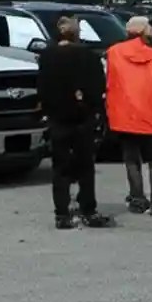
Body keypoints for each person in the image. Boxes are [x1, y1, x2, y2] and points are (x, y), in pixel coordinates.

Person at [37, 16, 114, 230]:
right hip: (82, 118)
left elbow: (42, 88)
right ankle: (88, 209)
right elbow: (98, 87)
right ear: (76, 34)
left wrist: (48, 110)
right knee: (85, 167)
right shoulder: (88, 57)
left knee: (60, 167)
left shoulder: (47, 57)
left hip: (58, 118)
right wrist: (90, 106)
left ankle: (62, 213)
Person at [105, 16, 152, 216]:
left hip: (124, 117)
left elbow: (111, 85)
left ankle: (137, 199)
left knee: (131, 160)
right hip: (151, 117)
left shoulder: (114, 53)